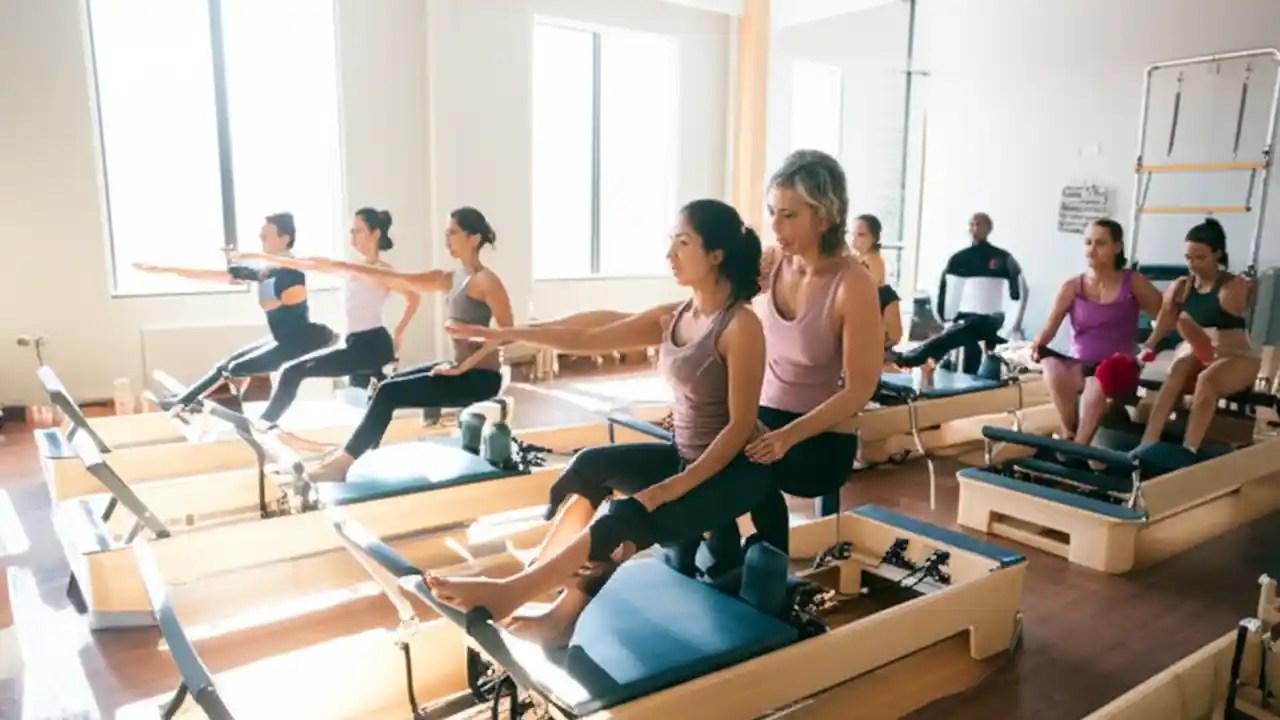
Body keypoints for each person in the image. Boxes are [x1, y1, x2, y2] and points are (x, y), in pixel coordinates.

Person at [425, 198, 776, 646]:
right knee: (591, 465)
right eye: (671, 241)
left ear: (716, 254)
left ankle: (518, 599)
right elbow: (587, 335)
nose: (670, 254)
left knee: (625, 515)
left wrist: (666, 490)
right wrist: (506, 334)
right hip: (687, 456)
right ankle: (543, 588)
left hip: (734, 472)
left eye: (682, 243)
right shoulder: (679, 315)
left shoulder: (741, 326)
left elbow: (740, 427)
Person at [303, 207, 513, 480]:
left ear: (473, 238)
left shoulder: (487, 281)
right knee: (383, 388)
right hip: (459, 368)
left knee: (389, 393)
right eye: (445, 233)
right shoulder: (451, 277)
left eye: (453, 233)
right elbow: (400, 280)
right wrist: (343, 267)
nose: (447, 239)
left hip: (480, 378)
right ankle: (355, 454)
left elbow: (509, 332)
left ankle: (342, 465)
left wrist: (466, 366)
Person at [233, 207, 420, 426]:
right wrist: (265, 260)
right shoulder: (352, 268)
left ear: (375, 233)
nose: (352, 237)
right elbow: (312, 264)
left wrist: (399, 332)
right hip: (355, 344)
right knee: (367, 408)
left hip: (373, 345)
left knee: (292, 371)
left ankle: (263, 424)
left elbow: (413, 297)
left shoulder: (383, 271)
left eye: (357, 231)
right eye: (351, 231)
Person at [134, 212, 338, 409]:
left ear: (284, 238)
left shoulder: (289, 273)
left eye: (265, 235)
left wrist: (259, 277)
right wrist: (163, 269)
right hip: (282, 338)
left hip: (301, 342)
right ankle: (187, 399)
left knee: (232, 369)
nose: (260, 238)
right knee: (227, 364)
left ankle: (191, 403)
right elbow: (213, 275)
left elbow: (290, 293)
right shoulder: (267, 270)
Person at [1028, 219, 1162, 445]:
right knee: (1050, 365)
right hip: (1080, 364)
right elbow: (1049, 328)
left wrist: (1153, 343)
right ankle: (1070, 433)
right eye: (1088, 242)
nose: (1091, 249)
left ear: (1117, 247)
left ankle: (1077, 448)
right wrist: (1035, 345)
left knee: (1096, 382)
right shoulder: (1072, 286)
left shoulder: (1133, 282)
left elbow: (1164, 314)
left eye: (1100, 243)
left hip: (1116, 368)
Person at [1138, 218, 1260, 453]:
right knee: (1178, 371)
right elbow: (1164, 321)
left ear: (1218, 254)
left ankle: (1189, 450)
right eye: (1188, 258)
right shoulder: (1181, 287)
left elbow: (1238, 308)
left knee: (1207, 381)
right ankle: (1147, 445)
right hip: (1201, 351)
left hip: (1237, 356)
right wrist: (1148, 347)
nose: (1192, 264)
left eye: (1200, 257)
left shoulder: (1232, 286)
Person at [894, 212, 1026, 374]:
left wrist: (1010, 325)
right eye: (972, 224)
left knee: (959, 333)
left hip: (993, 319)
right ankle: (960, 376)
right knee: (966, 337)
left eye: (980, 224)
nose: (976, 228)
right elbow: (946, 289)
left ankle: (911, 358)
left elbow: (1018, 292)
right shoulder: (960, 259)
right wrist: (946, 318)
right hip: (968, 319)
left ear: (989, 228)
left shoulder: (1003, 258)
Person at [853, 214, 903, 352]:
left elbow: (869, 288)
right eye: (853, 235)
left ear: (874, 237)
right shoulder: (856, 258)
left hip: (874, 304)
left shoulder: (873, 261)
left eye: (861, 235)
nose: (854, 240)